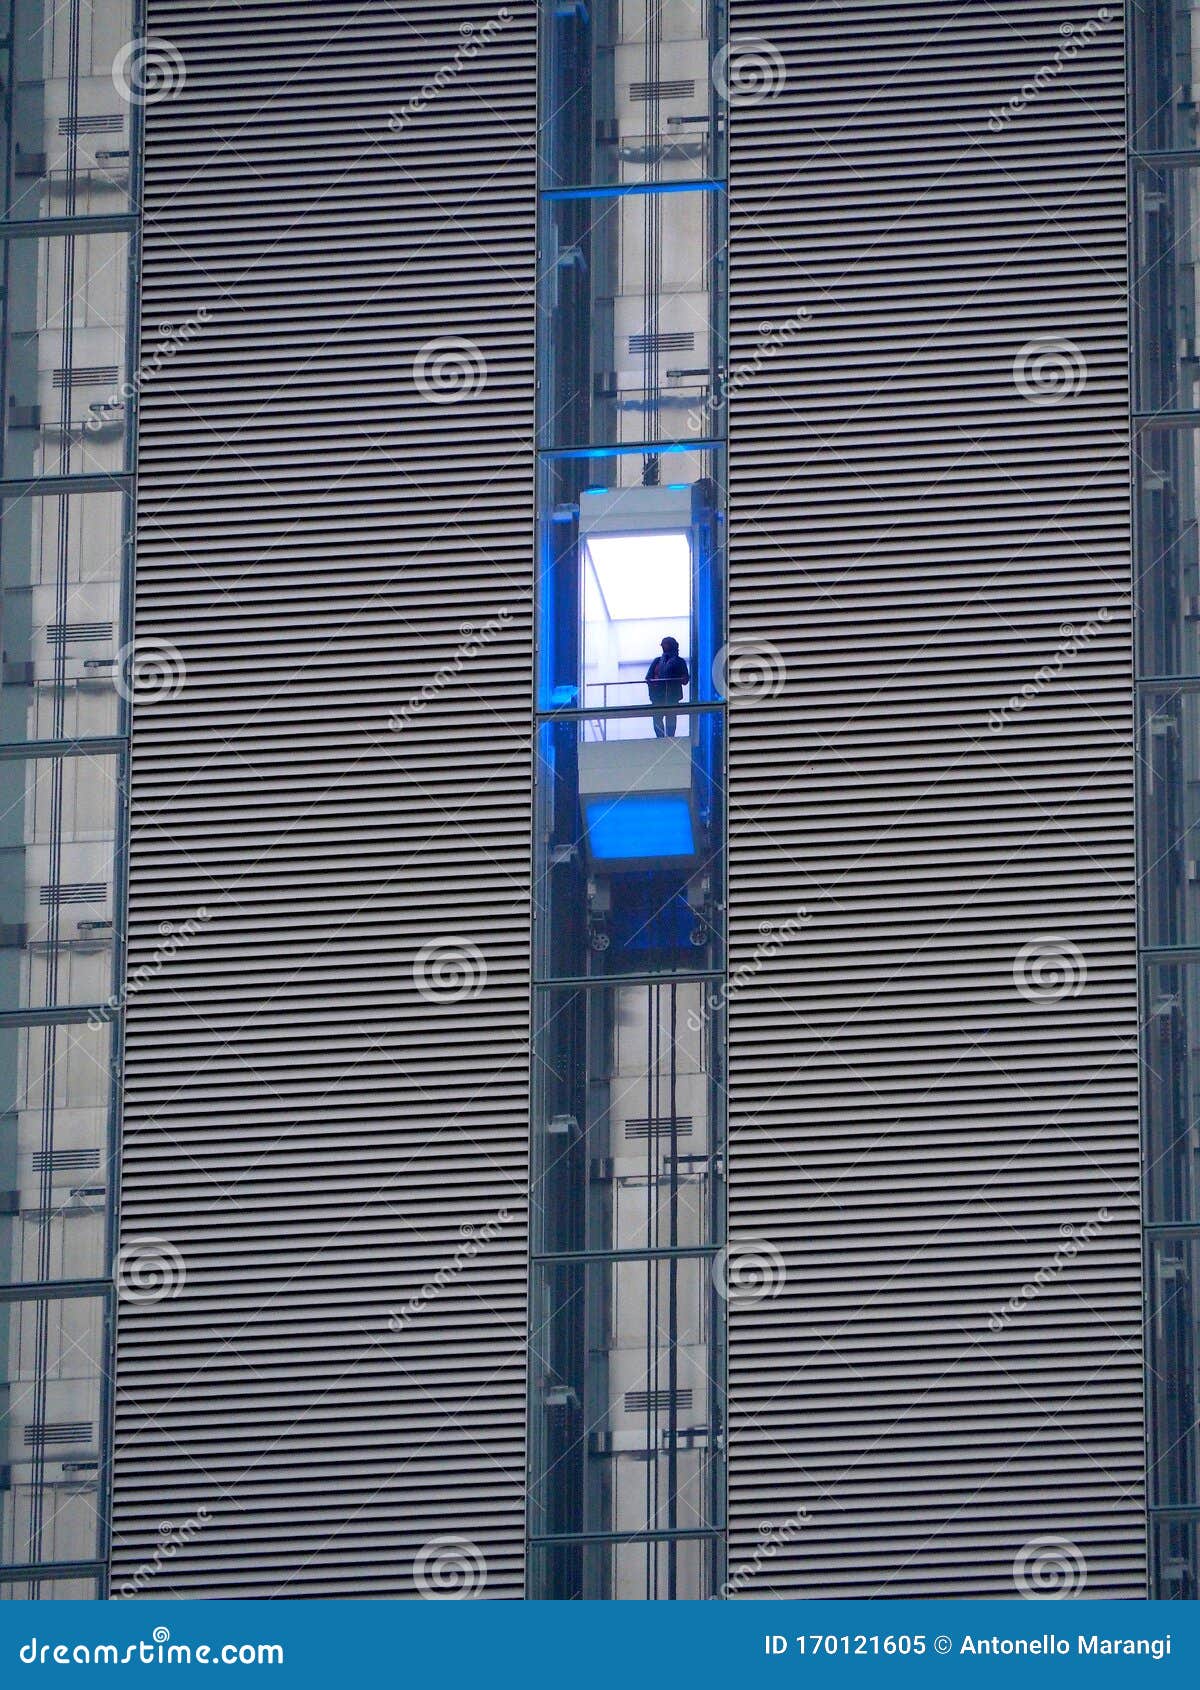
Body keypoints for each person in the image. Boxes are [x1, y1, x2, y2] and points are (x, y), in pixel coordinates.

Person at [645, 636, 690, 738]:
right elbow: (648, 677)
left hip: (672, 697)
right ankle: (660, 739)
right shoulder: (657, 661)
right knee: (657, 719)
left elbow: (685, 679)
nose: (663, 646)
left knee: (671, 719)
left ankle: (670, 739)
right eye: (663, 644)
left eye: (665, 644)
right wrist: (654, 683)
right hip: (657, 697)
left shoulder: (679, 661)